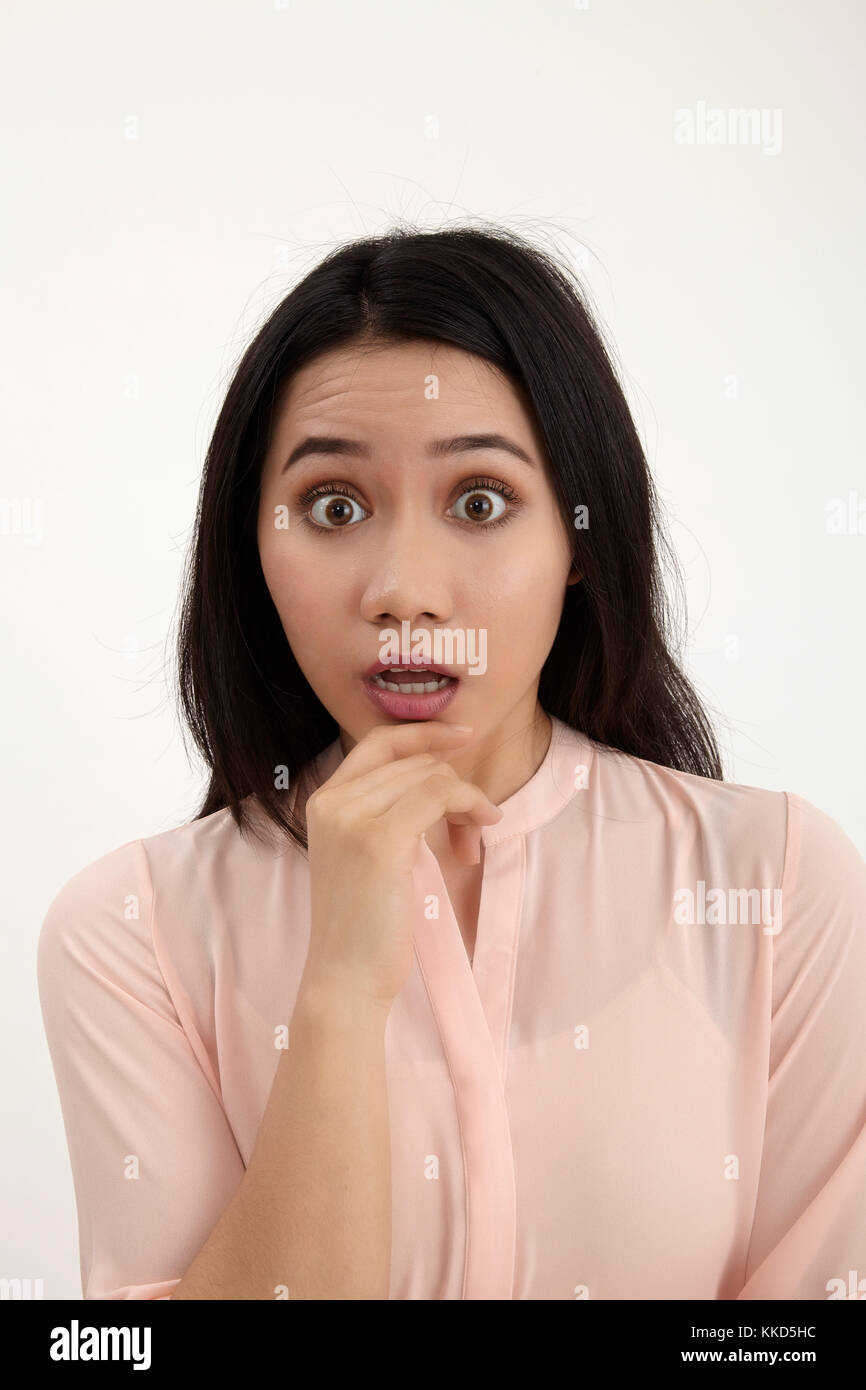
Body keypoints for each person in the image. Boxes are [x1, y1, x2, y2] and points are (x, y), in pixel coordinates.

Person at [37, 224, 866, 1300]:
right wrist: (338, 987)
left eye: (479, 501)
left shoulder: (775, 882)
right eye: (334, 507)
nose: (402, 590)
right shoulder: (129, 934)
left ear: (577, 537)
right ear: (252, 548)